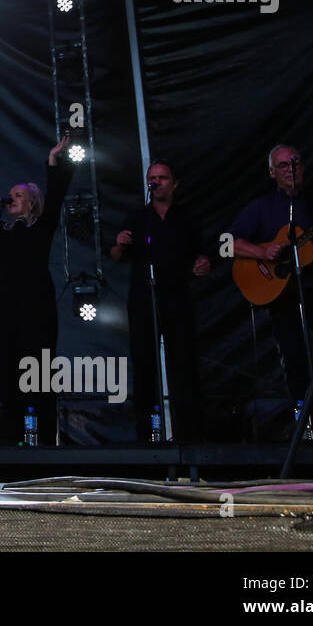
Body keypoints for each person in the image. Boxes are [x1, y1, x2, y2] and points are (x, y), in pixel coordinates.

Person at [229, 144, 313, 438]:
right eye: (284, 166)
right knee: (294, 360)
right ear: (272, 172)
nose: (291, 169)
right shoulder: (261, 208)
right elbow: (227, 242)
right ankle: (306, 428)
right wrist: (262, 251)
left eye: (296, 164)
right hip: (283, 297)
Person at [0, 136, 73, 444]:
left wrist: (53, 161)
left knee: (38, 367)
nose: (11, 200)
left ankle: (45, 435)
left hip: (36, 307)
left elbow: (58, 196)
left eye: (18, 196)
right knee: (9, 368)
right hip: (7, 306)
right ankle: (15, 438)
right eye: (9, 196)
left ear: (32, 202)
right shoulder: (4, 230)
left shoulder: (43, 225)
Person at [110, 160, 210, 442]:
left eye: (162, 178)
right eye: (152, 178)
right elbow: (116, 255)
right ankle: (148, 435)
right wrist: (120, 243)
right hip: (144, 298)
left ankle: (190, 435)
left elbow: (202, 254)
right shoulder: (137, 217)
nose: (157, 182)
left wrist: (202, 262)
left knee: (184, 365)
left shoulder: (187, 217)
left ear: (174, 183)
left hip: (178, 296)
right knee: (144, 366)